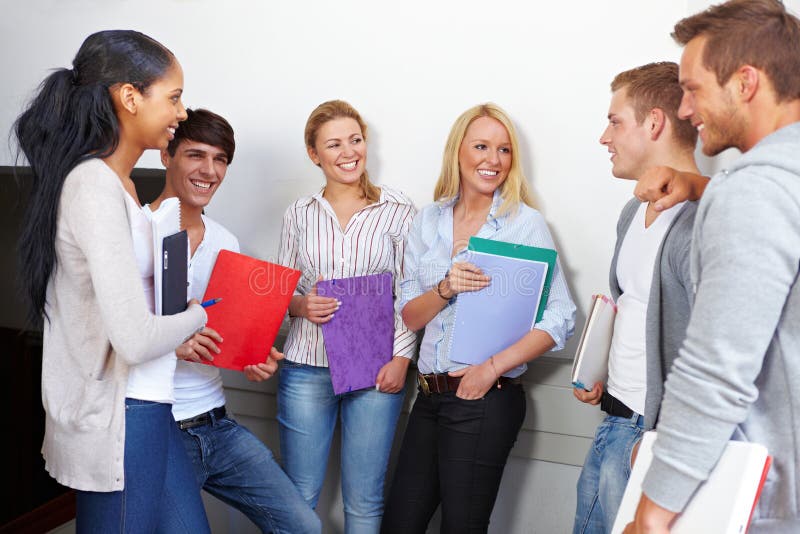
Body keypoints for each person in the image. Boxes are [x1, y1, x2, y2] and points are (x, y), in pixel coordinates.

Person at [14, 30, 211, 532]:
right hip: (122, 414)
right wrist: (197, 313)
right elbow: (134, 337)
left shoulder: (120, 186)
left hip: (149, 401)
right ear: (129, 97)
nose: (181, 112)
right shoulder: (93, 185)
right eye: (173, 97)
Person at [622, 1, 800, 532]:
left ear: (745, 82)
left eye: (693, 88)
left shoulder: (754, 192)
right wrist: (704, 187)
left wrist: (652, 511)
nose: (682, 109)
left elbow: (716, 371)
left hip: (766, 506)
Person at [381, 103, 576, 533]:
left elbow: (560, 317)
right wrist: (446, 287)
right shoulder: (429, 219)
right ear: (458, 152)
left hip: (485, 399)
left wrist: (490, 369)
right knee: (398, 525)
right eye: (482, 146)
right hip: (429, 396)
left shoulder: (523, 224)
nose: (493, 160)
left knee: (463, 528)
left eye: (504, 150)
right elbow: (410, 315)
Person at [146, 108, 321, 534]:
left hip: (217, 425)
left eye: (220, 159)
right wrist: (173, 339)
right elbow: (111, 332)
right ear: (166, 156)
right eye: (195, 155)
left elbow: (225, 336)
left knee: (304, 527)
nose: (210, 170)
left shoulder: (226, 242)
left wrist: (251, 355)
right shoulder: (138, 231)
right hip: (159, 430)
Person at [277, 99, 417, 533]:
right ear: (314, 154)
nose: (348, 152)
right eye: (334, 144)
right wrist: (302, 305)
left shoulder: (398, 210)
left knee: (365, 500)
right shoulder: (299, 213)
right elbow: (283, 290)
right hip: (305, 367)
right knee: (298, 496)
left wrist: (401, 358)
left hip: (376, 368)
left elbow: (410, 291)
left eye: (355, 140)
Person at [572, 62, 699, 534]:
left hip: (651, 439)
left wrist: (661, 444)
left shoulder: (701, 221)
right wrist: (598, 371)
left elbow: (713, 353)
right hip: (613, 423)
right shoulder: (632, 212)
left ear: (655, 123)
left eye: (615, 121)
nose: (605, 137)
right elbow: (631, 309)